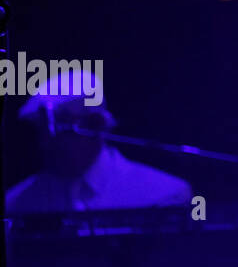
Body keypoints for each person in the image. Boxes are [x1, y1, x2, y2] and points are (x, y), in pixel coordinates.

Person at [5, 70, 192, 214]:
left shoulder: (164, 196)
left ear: (97, 125)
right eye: (41, 129)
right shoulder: (16, 204)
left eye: (60, 127)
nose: (47, 142)